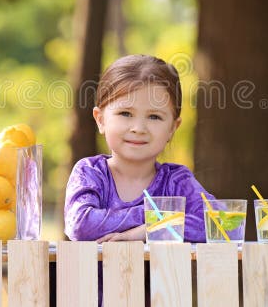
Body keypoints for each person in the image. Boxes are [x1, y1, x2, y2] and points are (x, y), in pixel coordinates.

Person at [64, 54, 216, 243]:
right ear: (101, 120)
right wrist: (160, 219)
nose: (138, 128)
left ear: (172, 128)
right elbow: (81, 225)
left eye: (154, 117)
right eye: (125, 113)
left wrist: (148, 230)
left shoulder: (176, 181)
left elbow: (217, 224)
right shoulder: (90, 173)